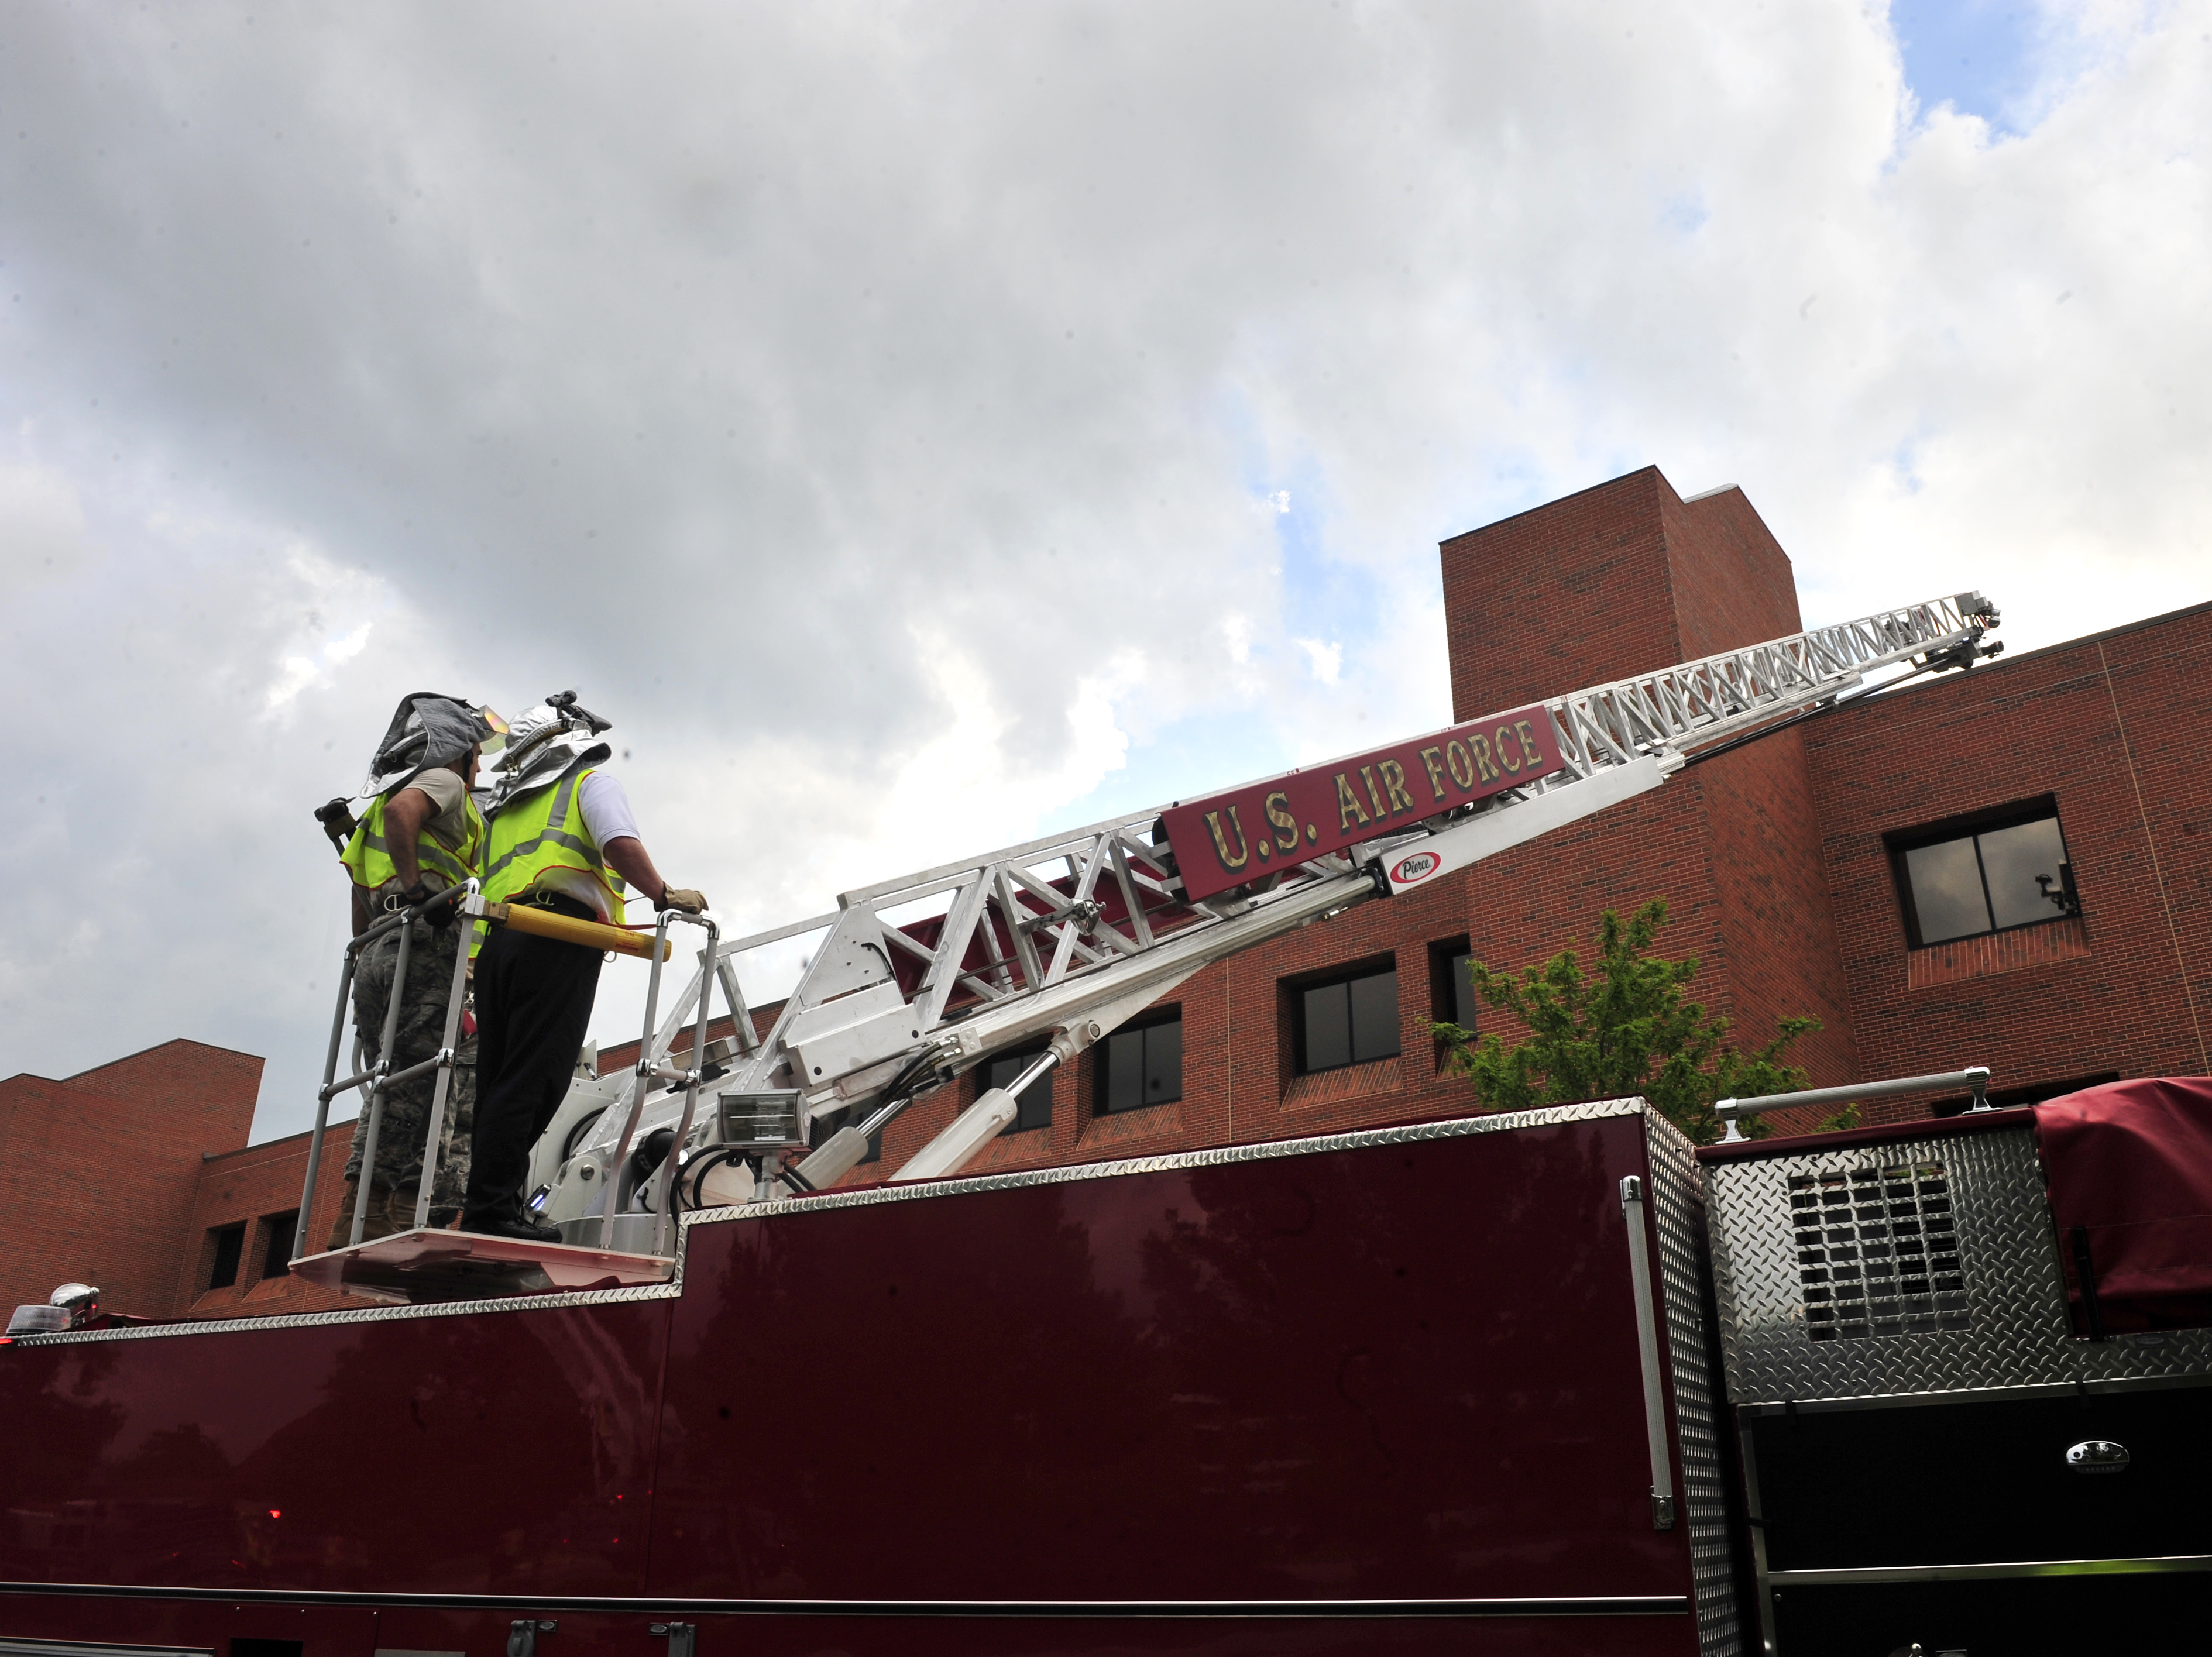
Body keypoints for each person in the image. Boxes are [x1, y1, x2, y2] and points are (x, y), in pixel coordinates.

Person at [464, 693, 707, 1242]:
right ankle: (493, 1212)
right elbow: (618, 843)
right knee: (539, 1077)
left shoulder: (503, 809)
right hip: (557, 938)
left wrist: (479, 961)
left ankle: (489, 1203)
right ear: (573, 739)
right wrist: (664, 893)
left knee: (498, 1082)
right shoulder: (589, 783)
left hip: (502, 945)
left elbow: (489, 881)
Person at [329, 693, 503, 1247]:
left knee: (391, 1085)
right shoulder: (443, 784)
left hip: (377, 952)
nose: (480, 765)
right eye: (476, 754)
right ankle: (407, 1212)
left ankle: (360, 1212)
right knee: (433, 1081)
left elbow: (359, 884)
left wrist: (366, 947)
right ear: (459, 752)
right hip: (424, 937)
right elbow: (411, 815)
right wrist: (416, 891)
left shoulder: (378, 804)